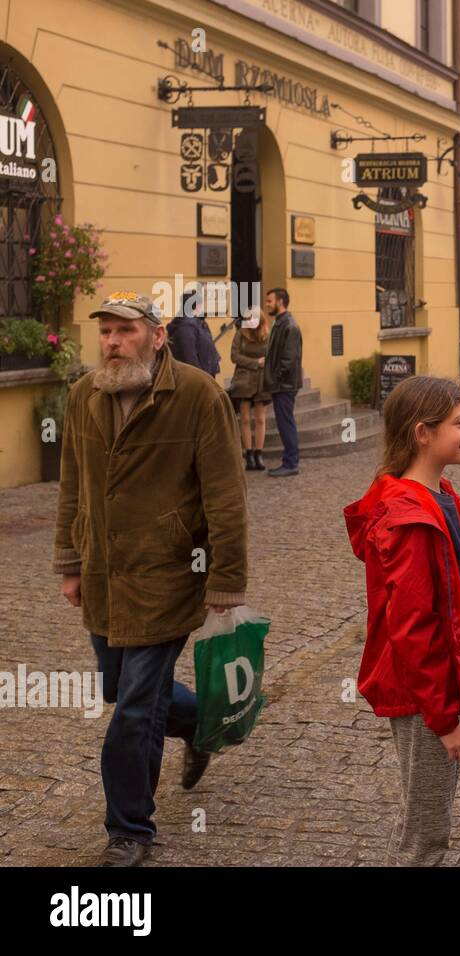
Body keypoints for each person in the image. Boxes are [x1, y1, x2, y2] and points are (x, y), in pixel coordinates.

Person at [53, 291, 248, 867]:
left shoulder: (196, 394)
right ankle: (204, 724)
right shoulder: (83, 393)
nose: (112, 342)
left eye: (125, 331)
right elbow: (71, 482)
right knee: (123, 689)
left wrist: (225, 581)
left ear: (157, 336)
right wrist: (69, 560)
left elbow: (226, 496)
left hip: (170, 573)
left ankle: (129, 830)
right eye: (106, 331)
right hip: (102, 573)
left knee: (135, 706)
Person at [343, 377, 460, 866]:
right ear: (422, 434)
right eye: (459, 423)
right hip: (427, 695)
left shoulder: (443, 494)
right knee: (427, 832)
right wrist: (445, 719)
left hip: (445, 685)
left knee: (421, 815)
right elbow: (414, 629)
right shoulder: (408, 516)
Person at [263, 287, 302, 478]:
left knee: (286, 423)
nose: (267, 304)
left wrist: (275, 376)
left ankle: (291, 463)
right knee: (284, 422)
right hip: (281, 384)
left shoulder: (289, 326)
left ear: (280, 302)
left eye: (269, 301)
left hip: (285, 385)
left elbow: (289, 358)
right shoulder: (280, 323)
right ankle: (289, 461)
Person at [229, 306, 272, 471]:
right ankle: (249, 454)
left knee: (260, 419)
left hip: (262, 381)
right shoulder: (240, 334)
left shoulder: (267, 335)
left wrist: (264, 362)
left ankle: (259, 453)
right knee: (245, 419)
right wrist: (255, 363)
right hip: (244, 380)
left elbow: (271, 354)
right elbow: (234, 356)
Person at [166, 286, 220, 377]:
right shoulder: (186, 326)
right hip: (197, 378)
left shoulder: (198, 322)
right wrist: (201, 377)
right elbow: (189, 357)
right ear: (197, 305)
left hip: (205, 374)